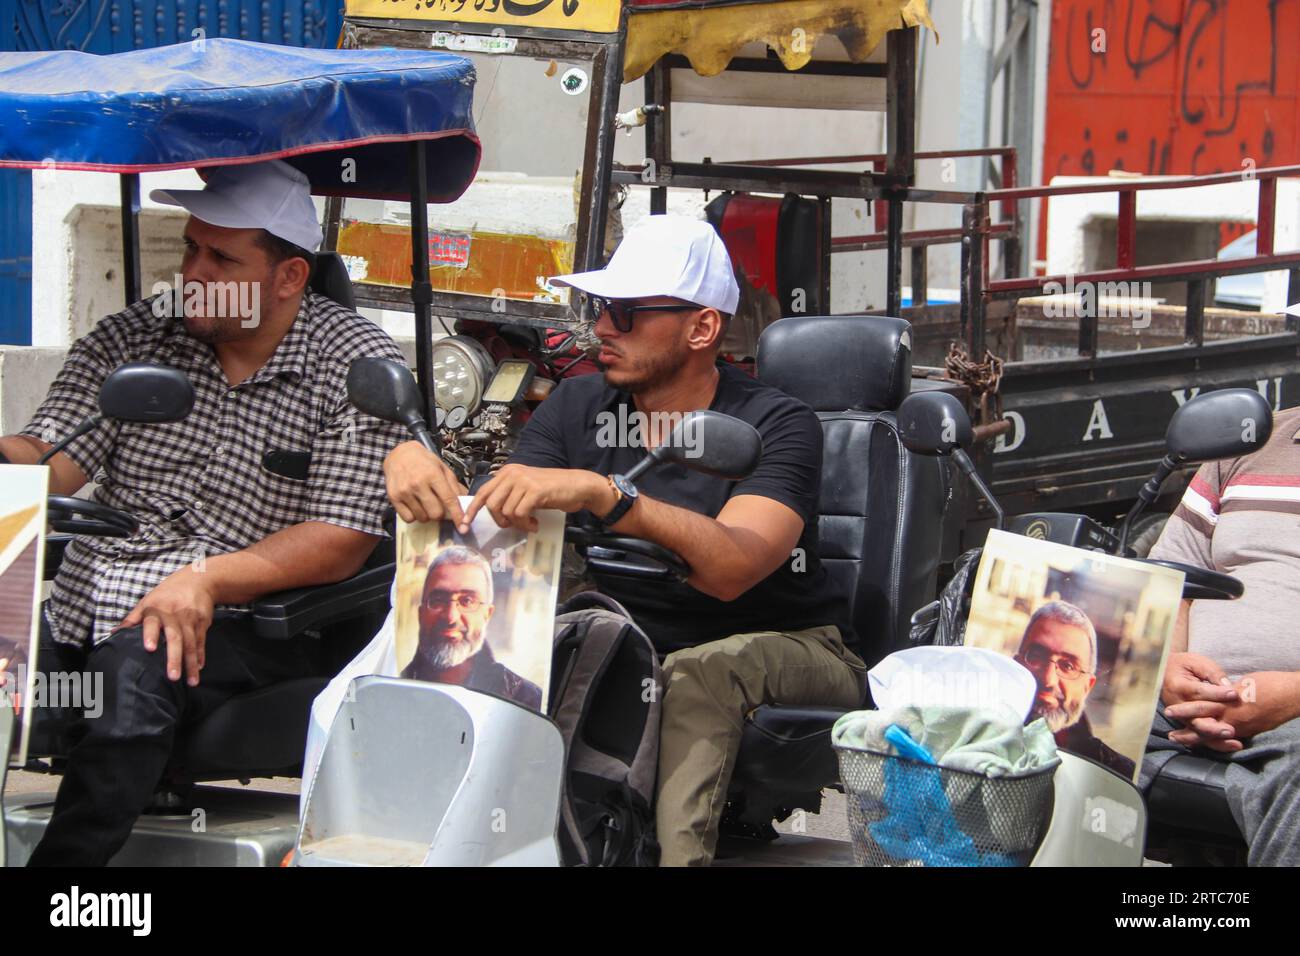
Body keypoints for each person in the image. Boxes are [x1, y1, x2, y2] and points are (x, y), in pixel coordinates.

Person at [383, 214, 862, 866]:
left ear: (702, 328)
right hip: (626, 634)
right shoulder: (575, 407)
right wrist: (411, 463)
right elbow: (497, 528)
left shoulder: (777, 424)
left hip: (789, 646)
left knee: (696, 674)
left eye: (629, 313)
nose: (603, 328)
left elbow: (733, 568)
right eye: (602, 308)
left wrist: (610, 498)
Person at [0, 159, 408, 866]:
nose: (194, 271)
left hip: (248, 620)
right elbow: (51, 461)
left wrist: (207, 580)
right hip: (88, 599)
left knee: (137, 667)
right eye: (191, 248)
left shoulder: (354, 363)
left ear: (289, 278)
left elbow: (340, 538)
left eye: (222, 258)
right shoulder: (137, 337)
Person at [1145, 404, 1300, 865]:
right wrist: (1169, 666)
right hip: (1185, 697)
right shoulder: (1248, 445)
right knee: (1043, 713)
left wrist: (1290, 696)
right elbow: (1168, 579)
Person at [404, 545, 542, 709]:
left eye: (467, 601)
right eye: (438, 600)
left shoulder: (523, 697)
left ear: (487, 614)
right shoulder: (393, 686)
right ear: (420, 613)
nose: (451, 617)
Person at [1014, 601, 1135, 779]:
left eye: (1068, 666)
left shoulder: (1114, 773)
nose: (1048, 680)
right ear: (1015, 663)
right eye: (1036, 657)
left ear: (1088, 686)